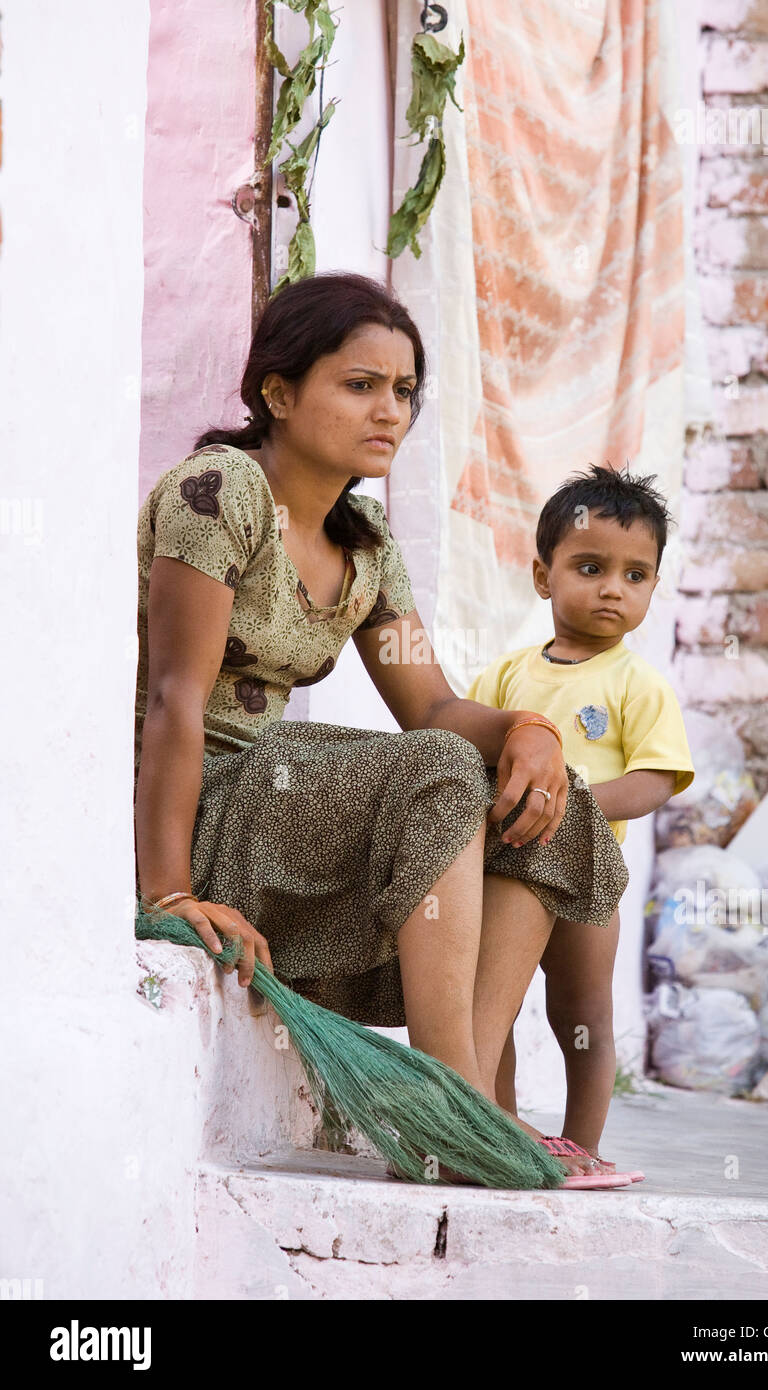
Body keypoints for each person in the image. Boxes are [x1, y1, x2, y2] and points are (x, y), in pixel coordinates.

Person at [133, 270, 629, 1184]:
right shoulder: (219, 493)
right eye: (359, 385)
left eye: (403, 390)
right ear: (278, 393)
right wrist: (165, 895)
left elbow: (433, 706)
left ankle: (462, 1109)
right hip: (204, 812)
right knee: (440, 768)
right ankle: (452, 1103)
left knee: (550, 802)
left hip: (286, 818)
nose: (390, 410)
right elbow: (172, 700)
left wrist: (533, 731)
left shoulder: (364, 544)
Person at [466, 465, 695, 1174]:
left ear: (654, 588)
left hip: (590, 877)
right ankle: (496, 1122)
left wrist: (573, 801)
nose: (611, 589)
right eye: (590, 567)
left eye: (635, 575)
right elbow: (467, 750)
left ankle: (584, 1146)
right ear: (543, 576)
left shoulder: (638, 684)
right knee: (489, 1002)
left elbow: (657, 778)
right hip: (506, 868)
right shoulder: (506, 677)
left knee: (582, 1014)